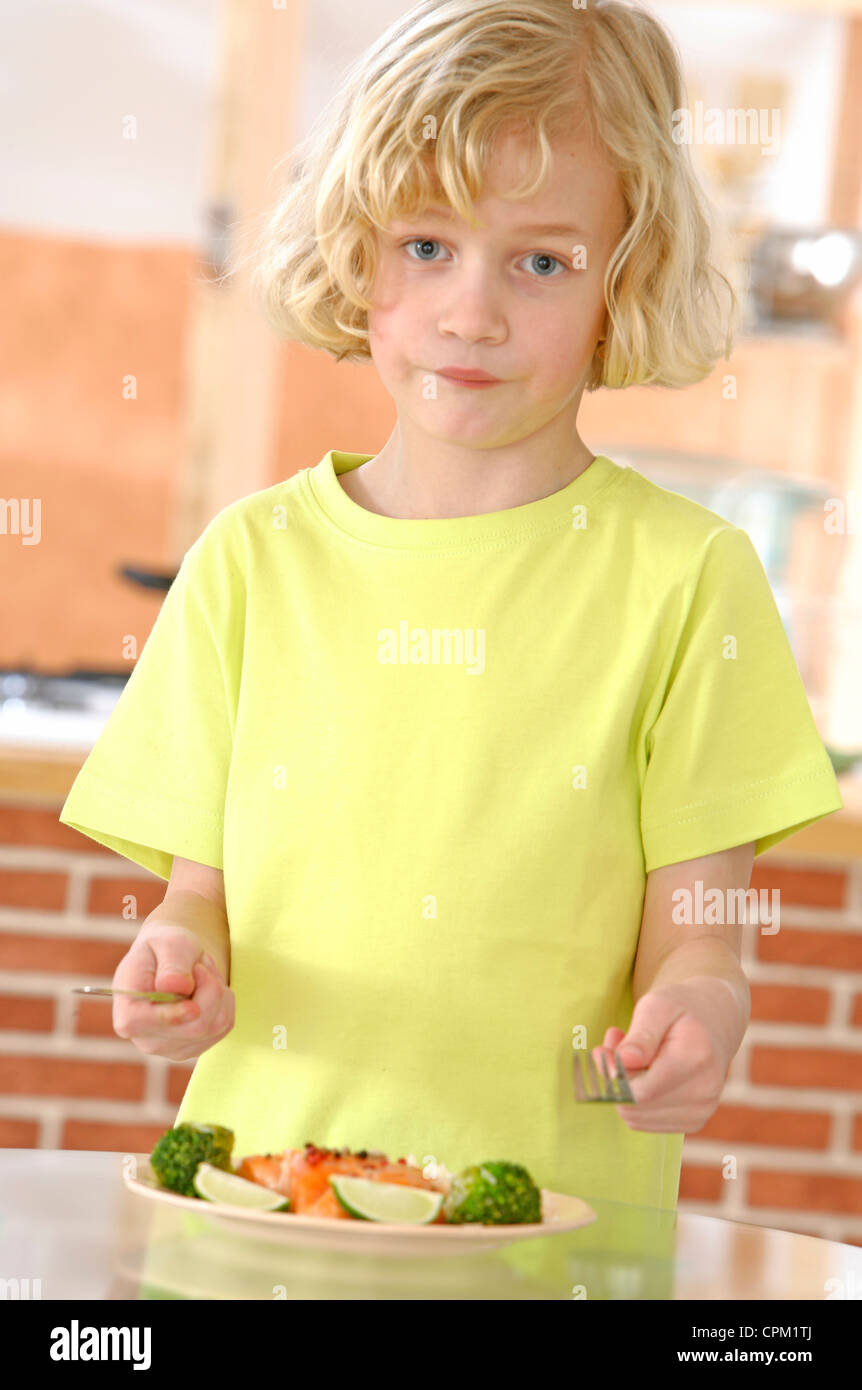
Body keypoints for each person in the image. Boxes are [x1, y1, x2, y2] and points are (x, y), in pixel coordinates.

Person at [59, 0, 842, 1212]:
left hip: (545, 1243)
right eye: (426, 245)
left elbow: (698, 937)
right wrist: (177, 961)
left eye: (540, 261)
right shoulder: (247, 564)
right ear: (357, 248)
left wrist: (701, 1008)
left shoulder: (687, 579)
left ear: (620, 281)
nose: (470, 312)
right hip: (260, 1213)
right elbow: (197, 897)